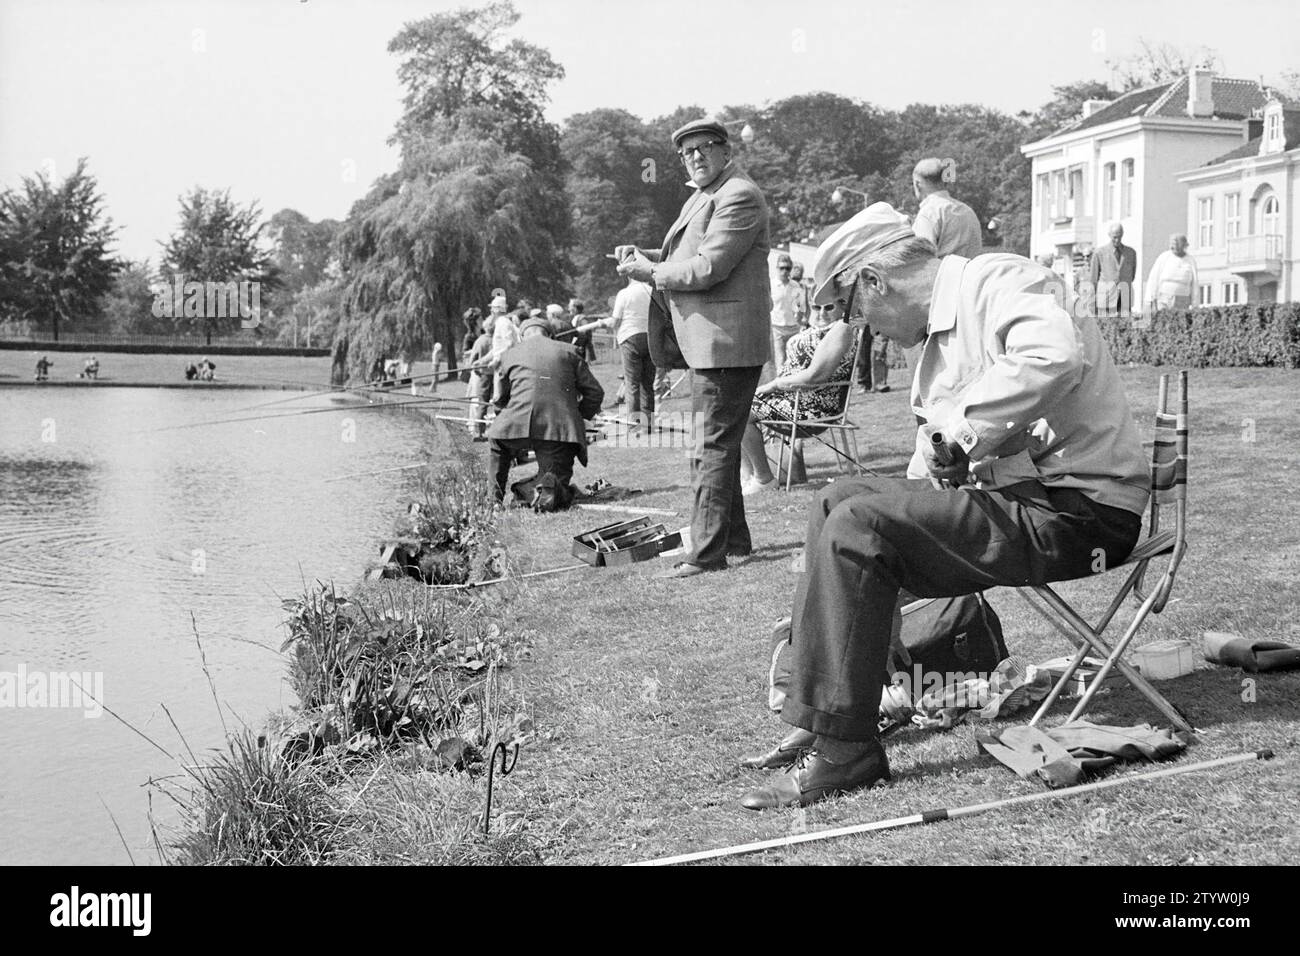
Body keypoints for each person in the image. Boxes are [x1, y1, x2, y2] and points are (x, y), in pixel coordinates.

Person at [738, 202, 1149, 810]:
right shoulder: (935, 343)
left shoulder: (1002, 280)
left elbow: (1051, 357)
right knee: (839, 500)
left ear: (875, 281)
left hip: (1080, 512)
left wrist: (960, 431)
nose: (866, 329)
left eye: (855, 312)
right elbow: (925, 471)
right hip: (1025, 503)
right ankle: (825, 707)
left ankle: (846, 750)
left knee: (859, 524)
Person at [615, 118, 772, 578]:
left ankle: (706, 554)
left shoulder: (738, 194)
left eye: (705, 148)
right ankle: (734, 541)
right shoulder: (708, 194)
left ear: (726, 152)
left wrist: (651, 274)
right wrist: (645, 257)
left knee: (709, 448)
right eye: (688, 153)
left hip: (725, 347)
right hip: (714, 345)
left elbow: (709, 268)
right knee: (718, 446)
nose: (697, 157)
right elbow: (689, 258)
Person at [740, 300, 858, 493]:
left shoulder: (840, 331)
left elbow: (815, 376)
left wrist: (774, 385)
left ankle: (763, 479)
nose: (821, 312)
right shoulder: (818, 330)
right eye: (817, 307)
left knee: (741, 411)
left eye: (829, 307)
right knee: (733, 405)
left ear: (842, 308)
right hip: (793, 399)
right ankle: (747, 477)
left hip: (812, 407)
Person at [486, 317, 604, 505]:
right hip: (559, 429)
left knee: (498, 443)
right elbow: (595, 393)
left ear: (522, 336)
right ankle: (550, 487)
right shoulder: (570, 351)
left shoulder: (509, 355)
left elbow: (500, 399)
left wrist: (504, 417)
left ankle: (493, 500)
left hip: (515, 424)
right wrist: (578, 418)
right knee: (556, 481)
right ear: (550, 334)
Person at [603, 276, 656, 421]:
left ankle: (634, 422)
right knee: (648, 384)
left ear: (629, 276)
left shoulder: (624, 293)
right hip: (650, 338)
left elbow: (616, 321)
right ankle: (648, 423)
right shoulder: (652, 291)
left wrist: (606, 323)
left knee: (632, 383)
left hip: (630, 337)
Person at [910, 157, 983, 259]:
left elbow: (921, 260)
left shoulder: (929, 213)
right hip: (973, 273)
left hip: (944, 274)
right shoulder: (968, 211)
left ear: (918, 184)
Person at [1089, 223, 1137, 318]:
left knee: (1124, 328)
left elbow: (1132, 275)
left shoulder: (1130, 253)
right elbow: (1093, 280)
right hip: (1106, 300)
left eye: (1119, 237)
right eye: (1114, 237)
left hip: (1124, 299)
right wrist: (1092, 304)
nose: (1117, 240)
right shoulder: (1099, 253)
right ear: (1109, 235)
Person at [770, 253, 805, 378]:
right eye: (782, 268)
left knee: (794, 360)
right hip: (777, 328)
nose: (784, 271)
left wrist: (800, 317)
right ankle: (779, 388)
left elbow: (800, 305)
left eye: (787, 268)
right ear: (777, 268)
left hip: (793, 327)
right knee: (779, 361)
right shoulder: (771, 285)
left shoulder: (795, 286)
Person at [1144, 234, 1198, 313]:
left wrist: (1195, 305)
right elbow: (1153, 279)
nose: (1174, 248)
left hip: (1183, 301)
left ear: (1184, 246)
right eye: (1172, 245)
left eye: (1177, 245)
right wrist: (1150, 300)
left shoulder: (1190, 261)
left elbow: (1195, 284)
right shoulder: (1164, 257)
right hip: (1164, 300)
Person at [465, 312, 496, 438]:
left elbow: (473, 361)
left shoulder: (480, 340)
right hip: (495, 376)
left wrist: (478, 371)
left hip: (483, 376)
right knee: (496, 403)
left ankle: (479, 431)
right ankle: (495, 430)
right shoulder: (495, 341)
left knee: (482, 403)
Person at [788, 263, 810, 327]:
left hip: (799, 323)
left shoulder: (803, 287)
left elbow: (807, 306)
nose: (797, 272)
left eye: (800, 270)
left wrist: (806, 319)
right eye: (795, 269)